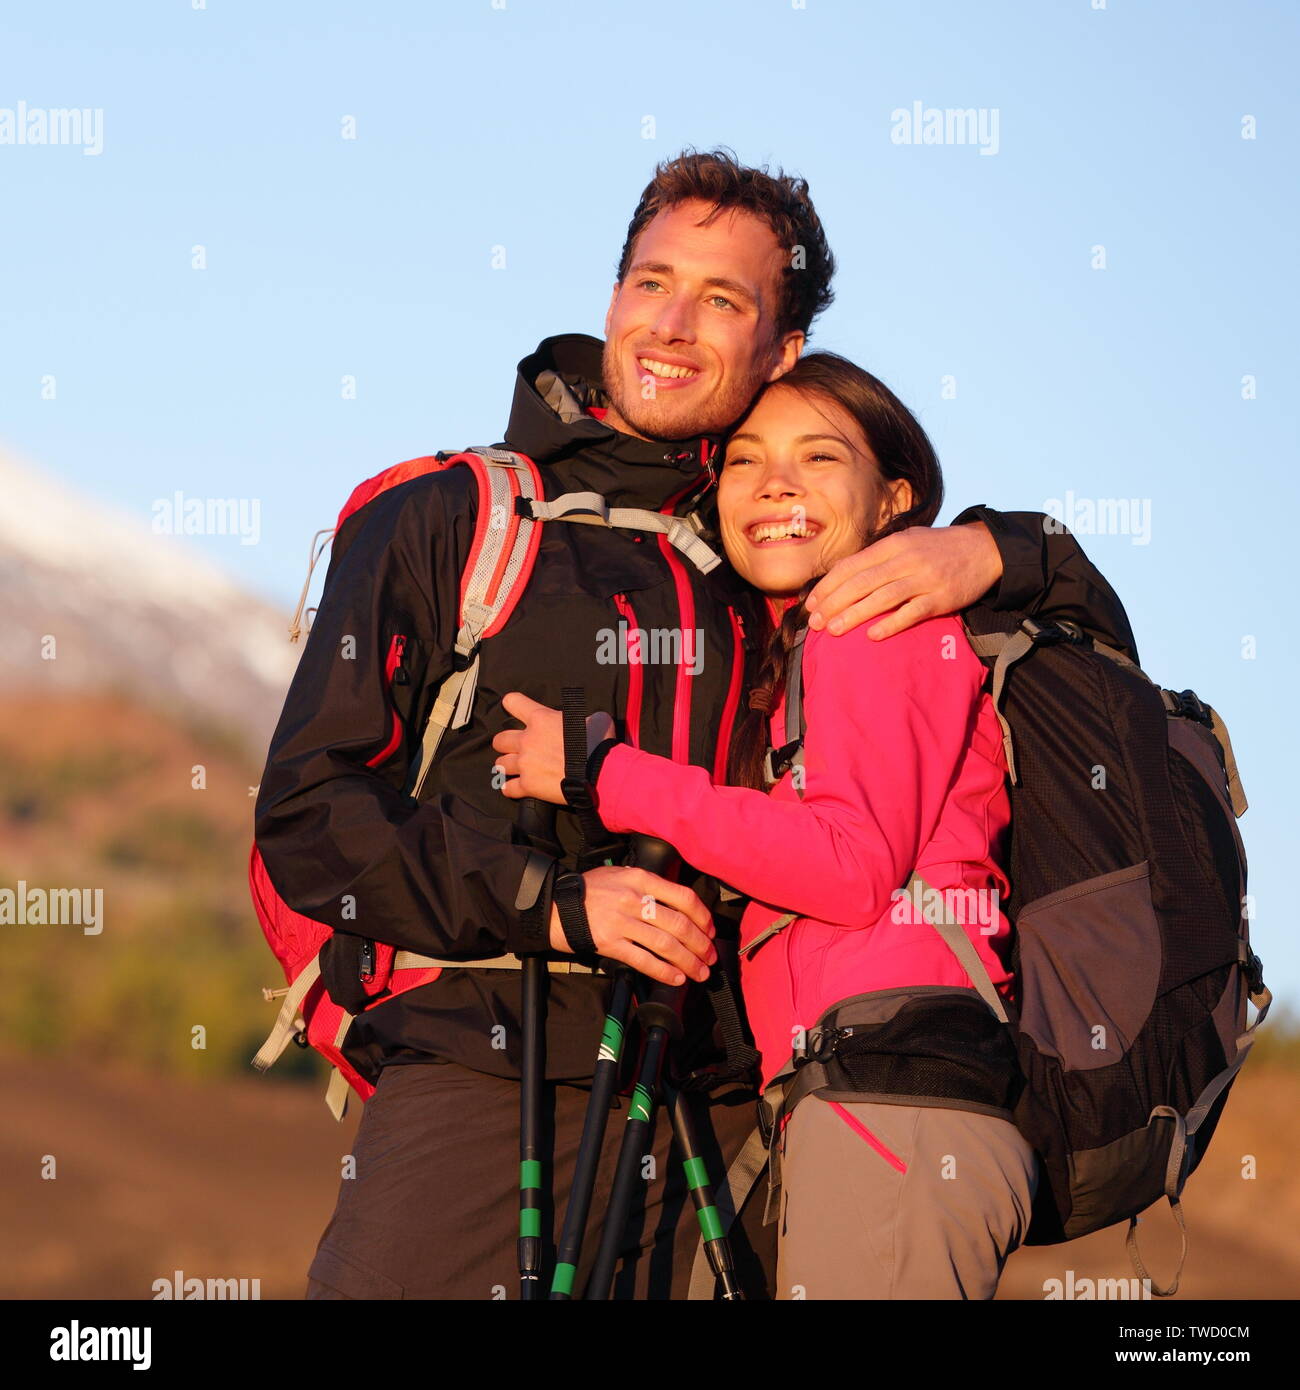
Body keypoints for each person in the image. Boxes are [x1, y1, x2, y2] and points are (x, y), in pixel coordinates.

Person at [254, 148, 1135, 1300]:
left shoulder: (793, 556)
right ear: (611, 295)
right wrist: (557, 906)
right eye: (650, 282)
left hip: (736, 1116)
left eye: (722, 299)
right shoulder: (455, 518)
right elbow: (310, 817)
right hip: (481, 1073)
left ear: (781, 350)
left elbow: (1085, 642)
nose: (672, 323)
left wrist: (999, 549)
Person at [496, 351, 1054, 1298]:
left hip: (895, 1101)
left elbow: (847, 867)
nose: (775, 485)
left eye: (821, 458)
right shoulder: (808, 647)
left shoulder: (877, 618)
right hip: (869, 1104)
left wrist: (601, 774)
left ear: (894, 503)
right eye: (746, 460)